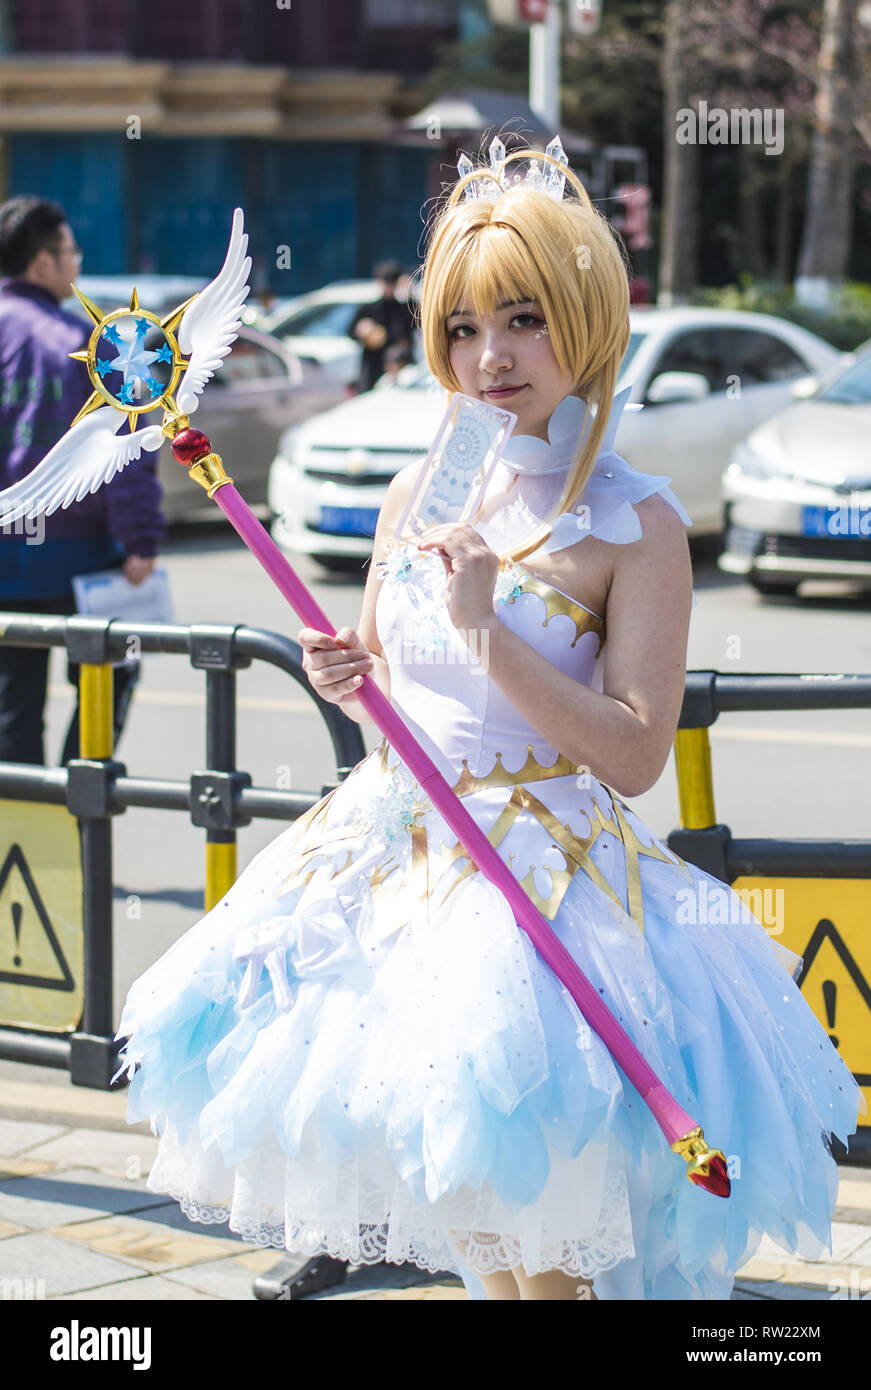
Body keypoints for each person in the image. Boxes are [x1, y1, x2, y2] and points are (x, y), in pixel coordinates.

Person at [115, 142, 862, 1301]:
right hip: (395, 878)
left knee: (550, 1251)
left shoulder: (635, 523)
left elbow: (631, 756)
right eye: (462, 329)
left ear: (585, 320)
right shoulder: (426, 482)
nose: (490, 357)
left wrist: (488, 632)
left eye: (521, 320)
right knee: (473, 1233)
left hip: (550, 905)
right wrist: (344, 671)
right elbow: (381, 684)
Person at [0, 196, 166, 765]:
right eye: (71, 252)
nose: (78, 262)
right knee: (107, 680)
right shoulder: (86, 346)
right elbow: (125, 452)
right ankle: (80, 807)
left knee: (10, 707)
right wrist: (141, 539)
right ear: (43, 263)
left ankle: (23, 831)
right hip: (81, 560)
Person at [349, 259, 416, 393]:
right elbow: (351, 332)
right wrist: (361, 331)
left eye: (392, 283)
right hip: (373, 367)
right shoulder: (368, 309)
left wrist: (409, 290)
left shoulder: (406, 308)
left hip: (400, 368)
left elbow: (420, 318)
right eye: (385, 282)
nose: (388, 287)